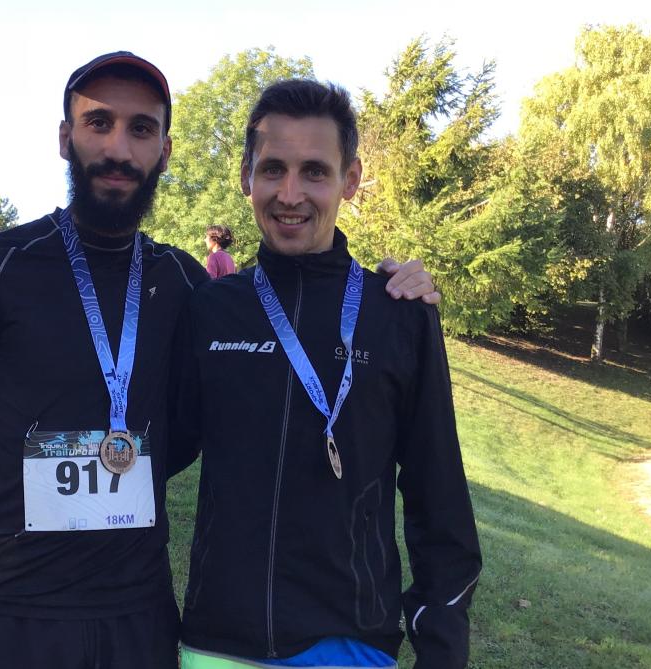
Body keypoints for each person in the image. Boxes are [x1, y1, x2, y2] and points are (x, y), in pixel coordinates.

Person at [0, 53, 439, 669]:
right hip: (12, 608)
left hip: (143, 615)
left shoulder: (189, 286)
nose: (119, 148)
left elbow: (239, 379)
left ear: (164, 149)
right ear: (65, 138)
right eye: (98, 123)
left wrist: (402, 288)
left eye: (141, 129)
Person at [169, 80, 481, 669]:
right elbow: (157, 449)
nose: (290, 194)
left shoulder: (399, 314)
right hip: (217, 643)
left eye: (315, 171)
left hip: (348, 645)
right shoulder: (210, 309)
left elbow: (438, 496)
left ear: (351, 179)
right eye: (273, 169)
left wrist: (442, 648)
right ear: (246, 176)